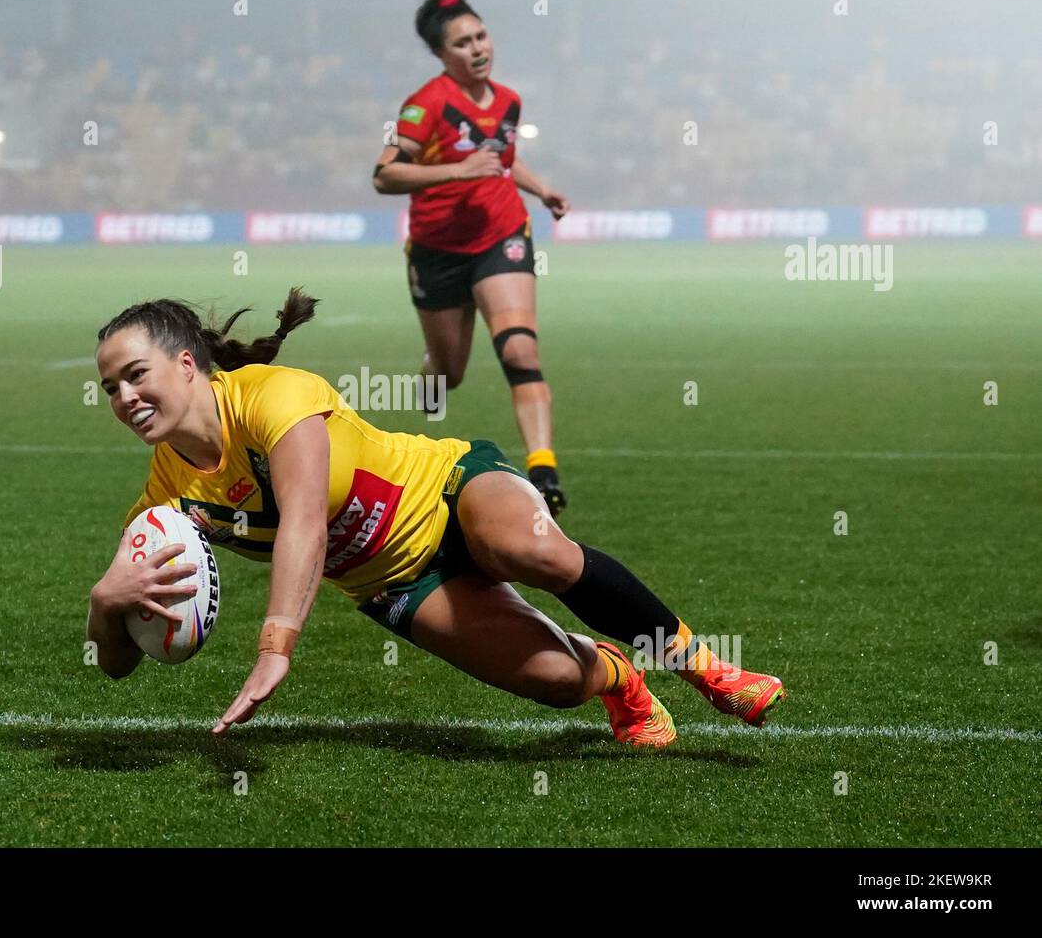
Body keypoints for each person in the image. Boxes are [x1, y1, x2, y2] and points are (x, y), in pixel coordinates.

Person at [86, 288, 785, 743]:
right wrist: (105, 603)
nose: (123, 396)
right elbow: (119, 664)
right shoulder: (166, 499)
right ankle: (619, 678)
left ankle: (707, 670)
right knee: (559, 684)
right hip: (394, 585)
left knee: (536, 551)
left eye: (135, 374)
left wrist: (276, 647)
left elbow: (304, 518)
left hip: (448, 488)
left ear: (186, 364)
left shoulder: (274, 395)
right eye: (110, 386)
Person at [373, 0, 570, 515]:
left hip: (500, 235)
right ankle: (432, 368)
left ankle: (543, 470)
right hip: (437, 251)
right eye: (462, 42)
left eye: (480, 36)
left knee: (518, 349)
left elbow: (503, 159)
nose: (477, 48)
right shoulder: (425, 105)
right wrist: (457, 171)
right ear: (442, 55)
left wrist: (540, 189)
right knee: (449, 372)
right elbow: (385, 174)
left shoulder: (508, 100)